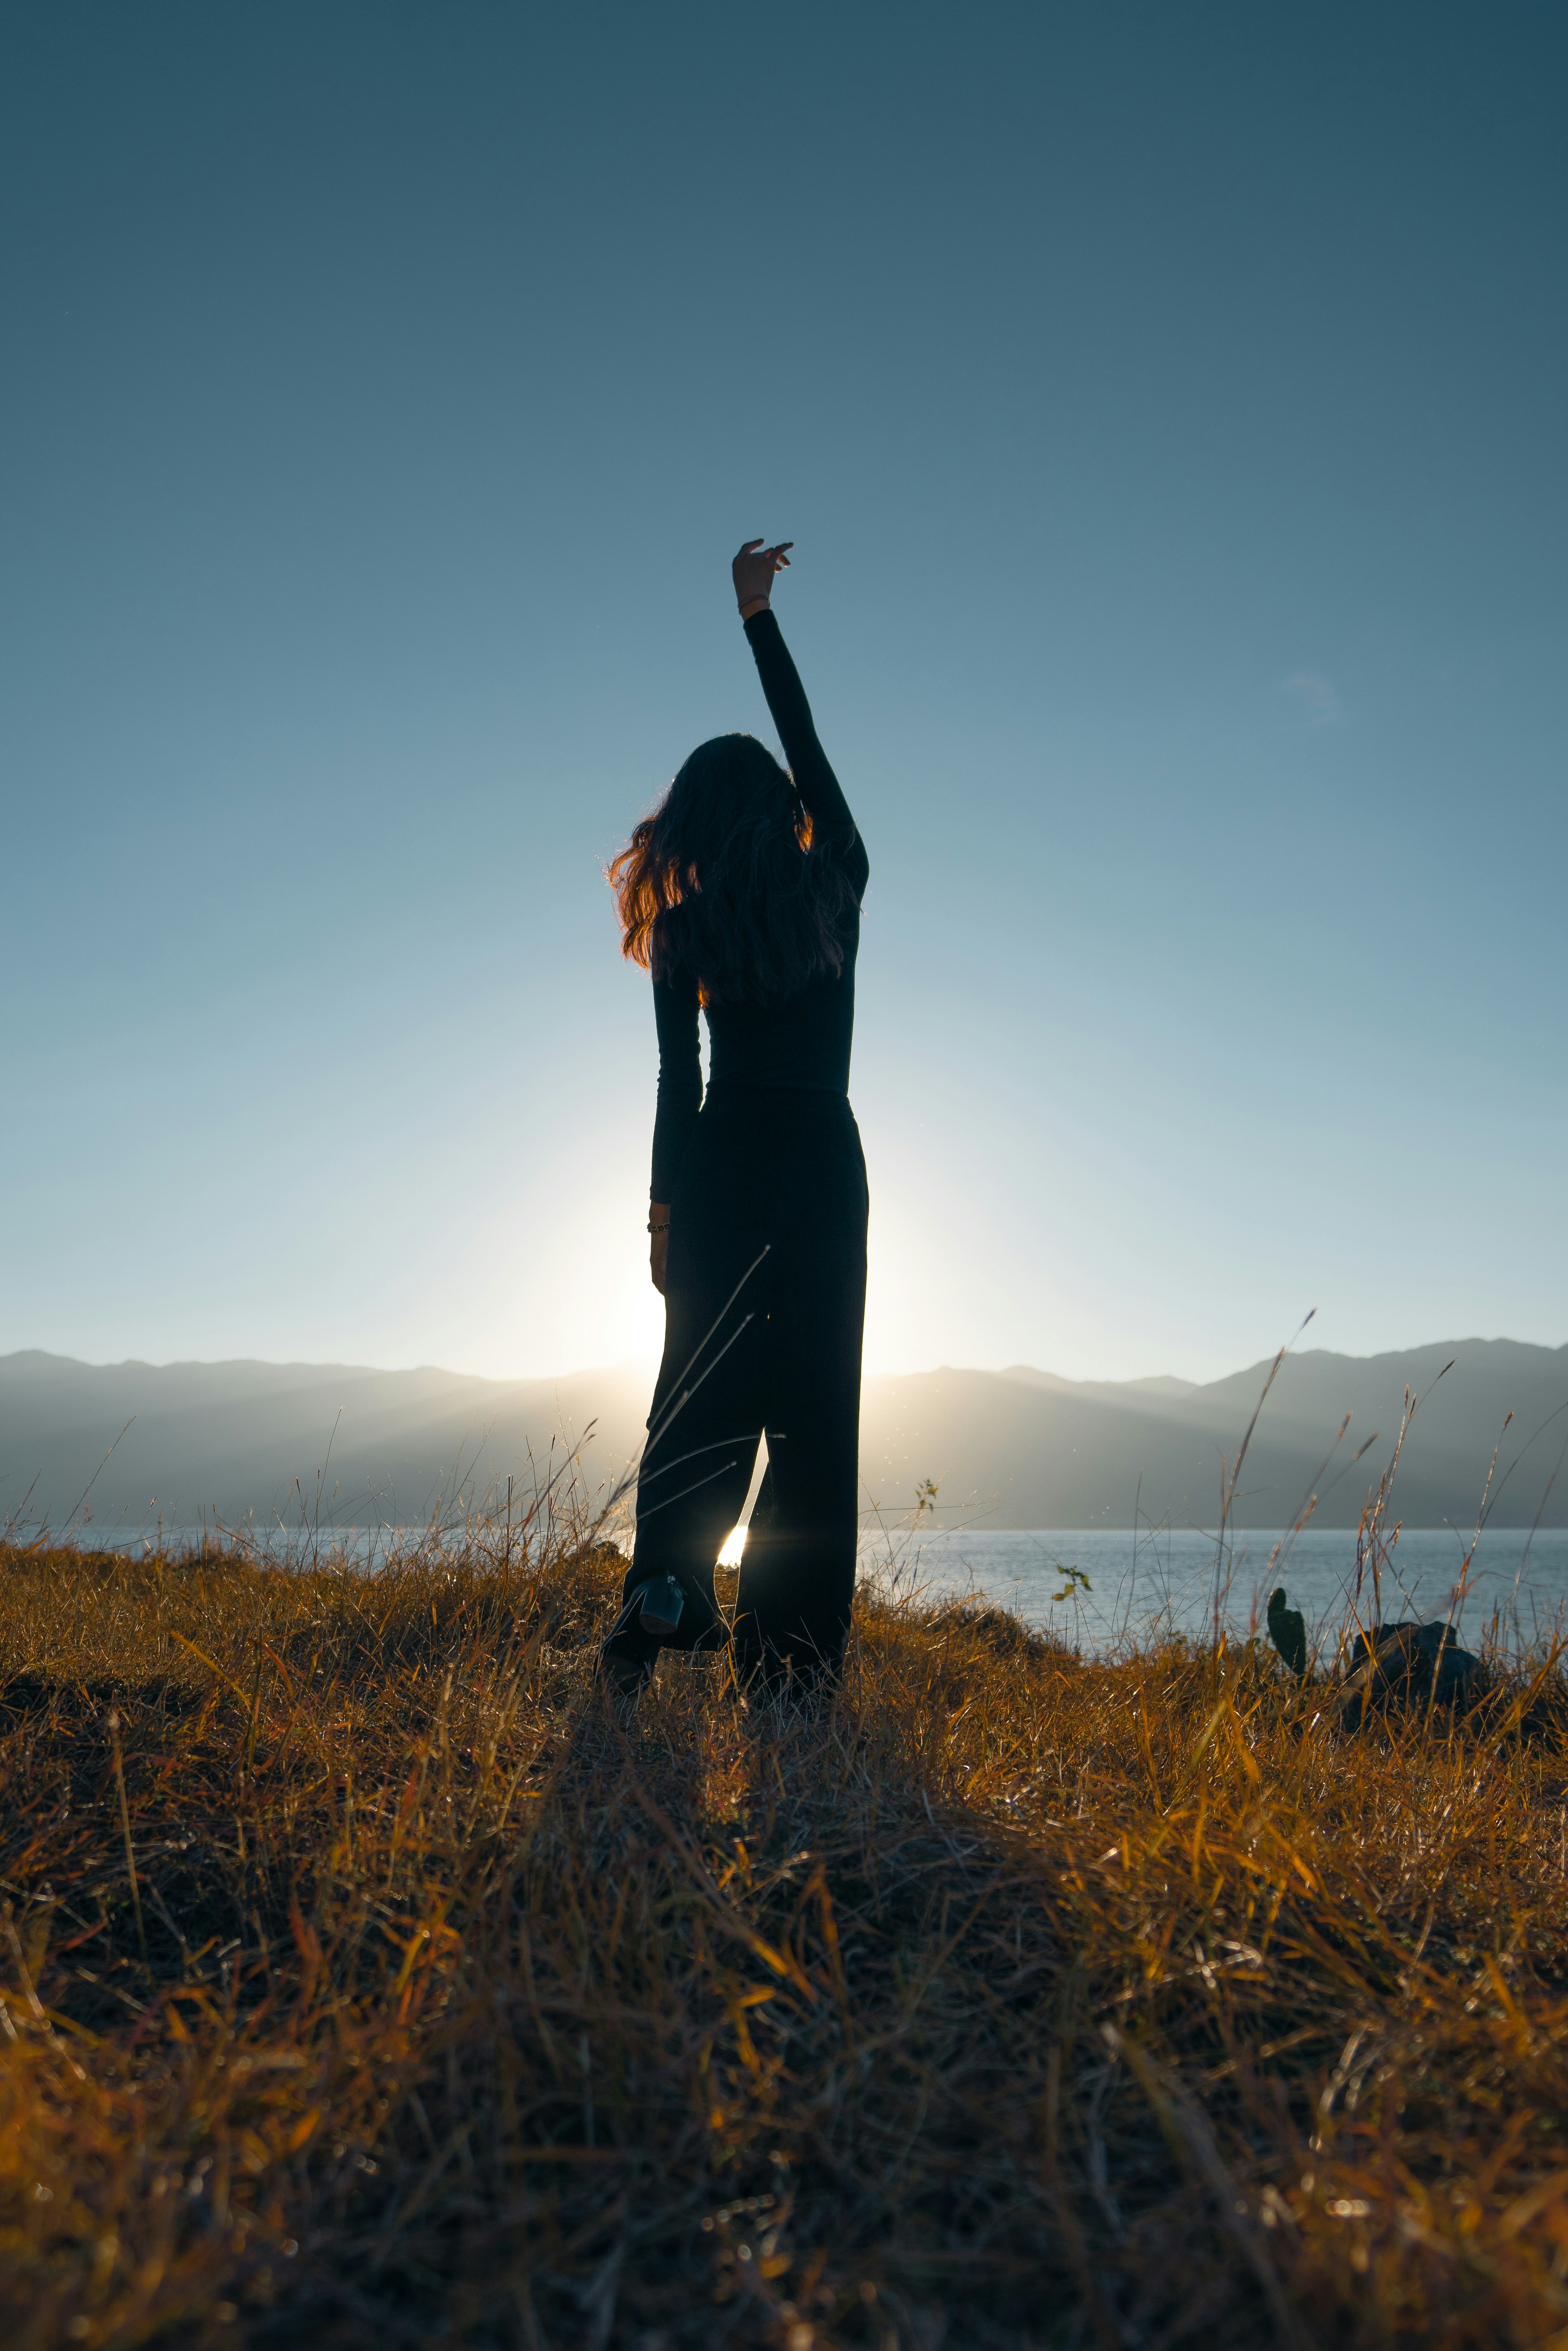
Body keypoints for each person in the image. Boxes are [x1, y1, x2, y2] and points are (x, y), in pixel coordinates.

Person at [601, 539, 870, 1701]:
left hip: (717, 1162)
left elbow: (675, 1085)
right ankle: (788, 1651)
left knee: (698, 1390)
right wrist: (756, 618)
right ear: (783, 810)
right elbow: (808, 748)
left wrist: (663, 1218)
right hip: (818, 1155)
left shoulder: (683, 928)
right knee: (813, 1405)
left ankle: (662, 1594)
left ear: (694, 826)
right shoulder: (835, 885)